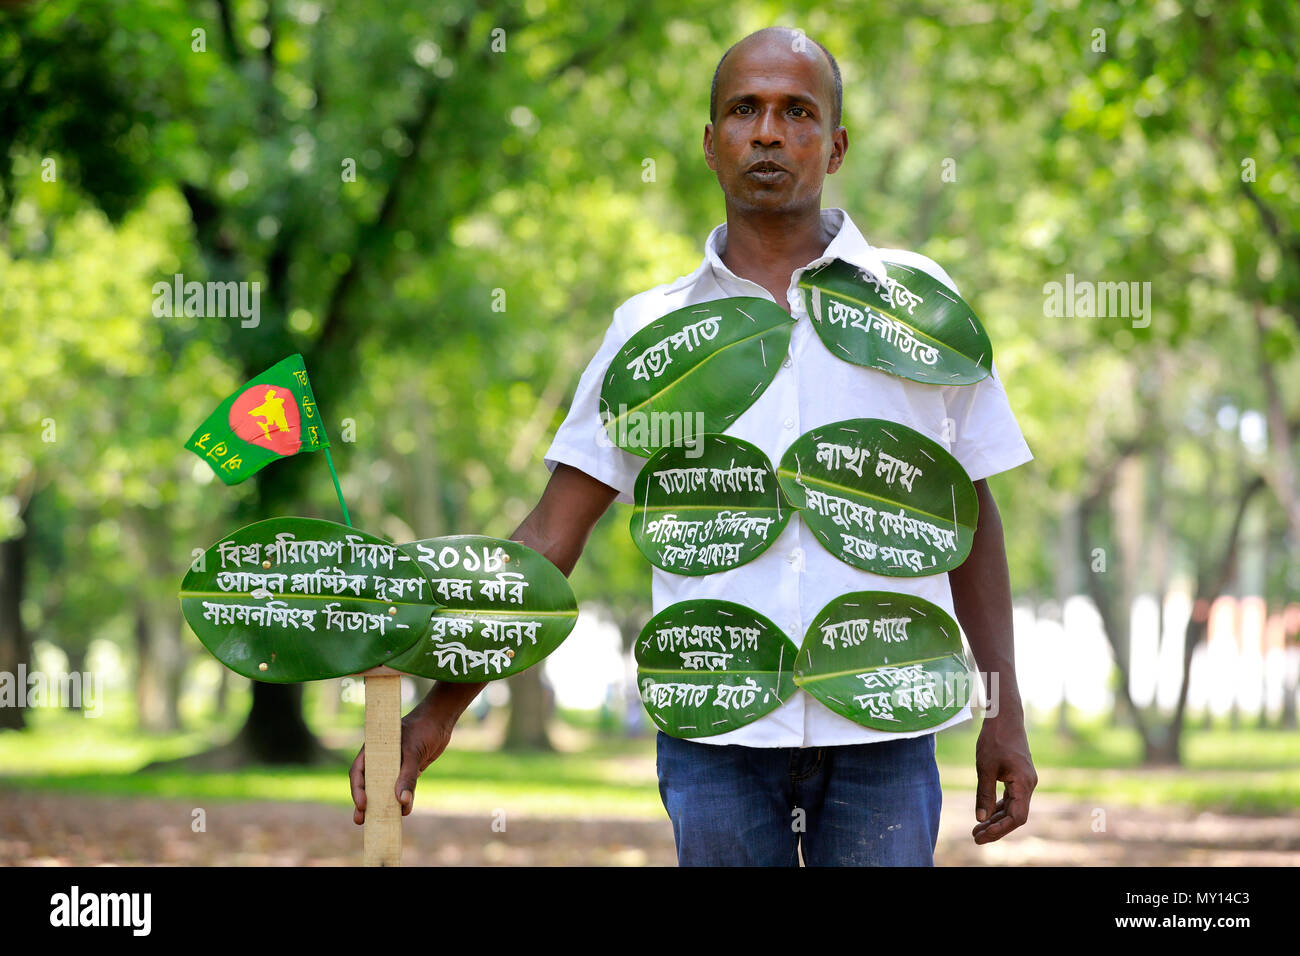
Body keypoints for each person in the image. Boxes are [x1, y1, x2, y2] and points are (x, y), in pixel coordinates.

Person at [350, 25, 1038, 865]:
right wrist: (439, 709)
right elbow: (549, 536)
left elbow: (966, 514)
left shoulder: (920, 307)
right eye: (744, 110)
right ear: (710, 144)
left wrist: (1003, 710)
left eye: (797, 112)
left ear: (838, 145)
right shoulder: (650, 333)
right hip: (713, 726)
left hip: (885, 720)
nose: (769, 131)